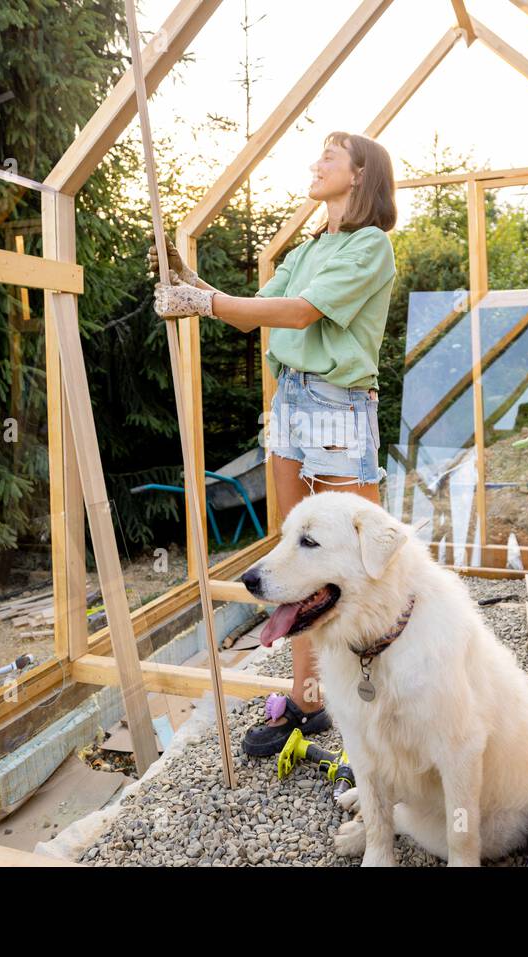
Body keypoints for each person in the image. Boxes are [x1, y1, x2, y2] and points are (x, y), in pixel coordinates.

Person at [152, 131, 397, 756]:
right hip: (290, 401)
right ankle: (310, 700)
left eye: (330, 157)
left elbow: (301, 313)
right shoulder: (312, 245)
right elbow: (257, 308)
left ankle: (372, 718)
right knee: (293, 560)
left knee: (361, 562)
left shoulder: (371, 247)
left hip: (339, 405)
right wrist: (194, 289)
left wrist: (204, 301)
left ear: (361, 174)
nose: (315, 164)